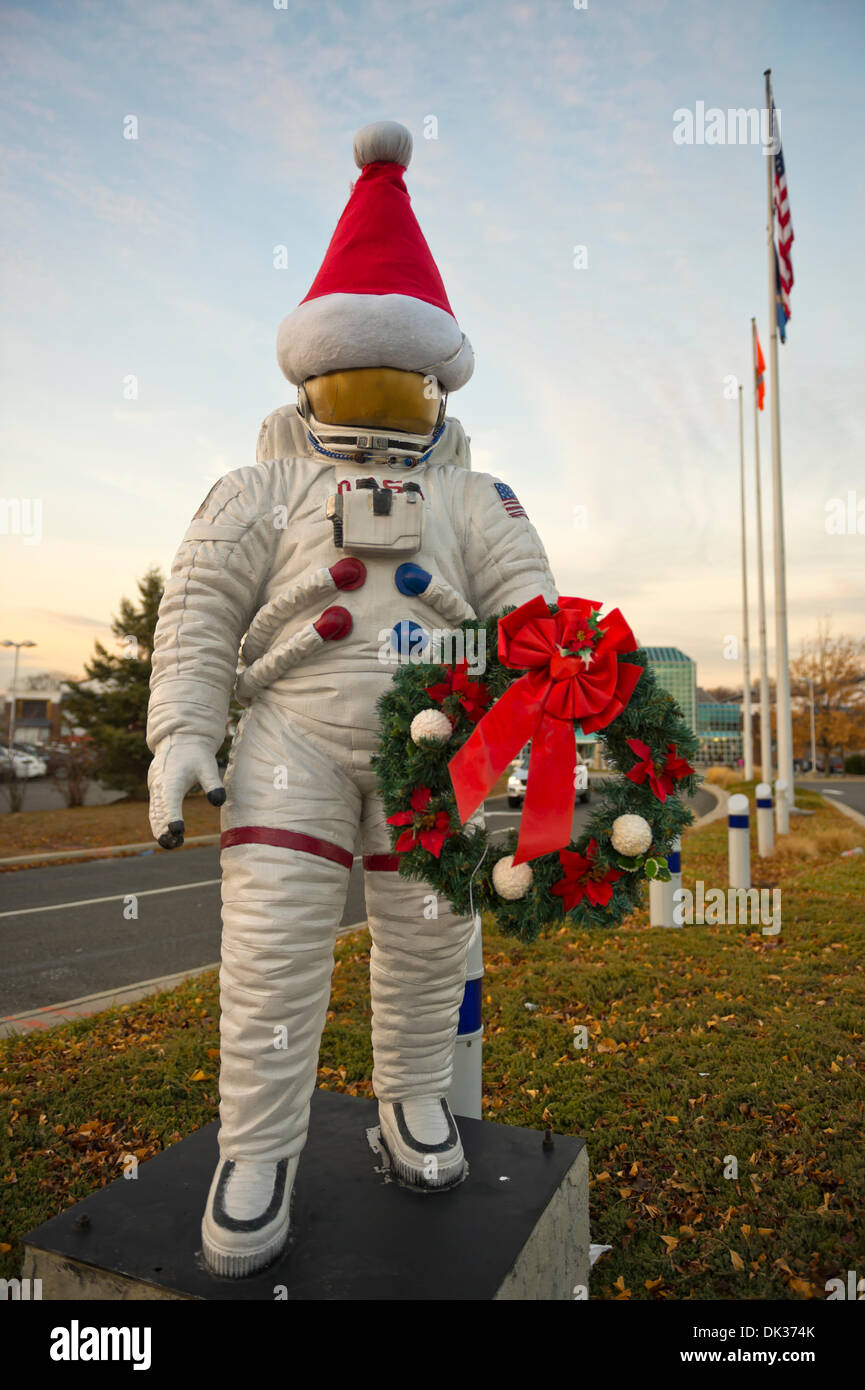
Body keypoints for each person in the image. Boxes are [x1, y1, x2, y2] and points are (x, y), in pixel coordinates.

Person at [147, 121, 558, 1277]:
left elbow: (534, 619)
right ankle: (258, 1148)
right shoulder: (262, 487)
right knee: (274, 949)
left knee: (432, 935)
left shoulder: (481, 499)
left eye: (397, 381)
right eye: (354, 377)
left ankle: (414, 1098)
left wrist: (542, 727)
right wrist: (183, 726)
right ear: (309, 379)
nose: (376, 404)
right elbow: (199, 612)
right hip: (291, 738)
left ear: (434, 389)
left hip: (435, 748)